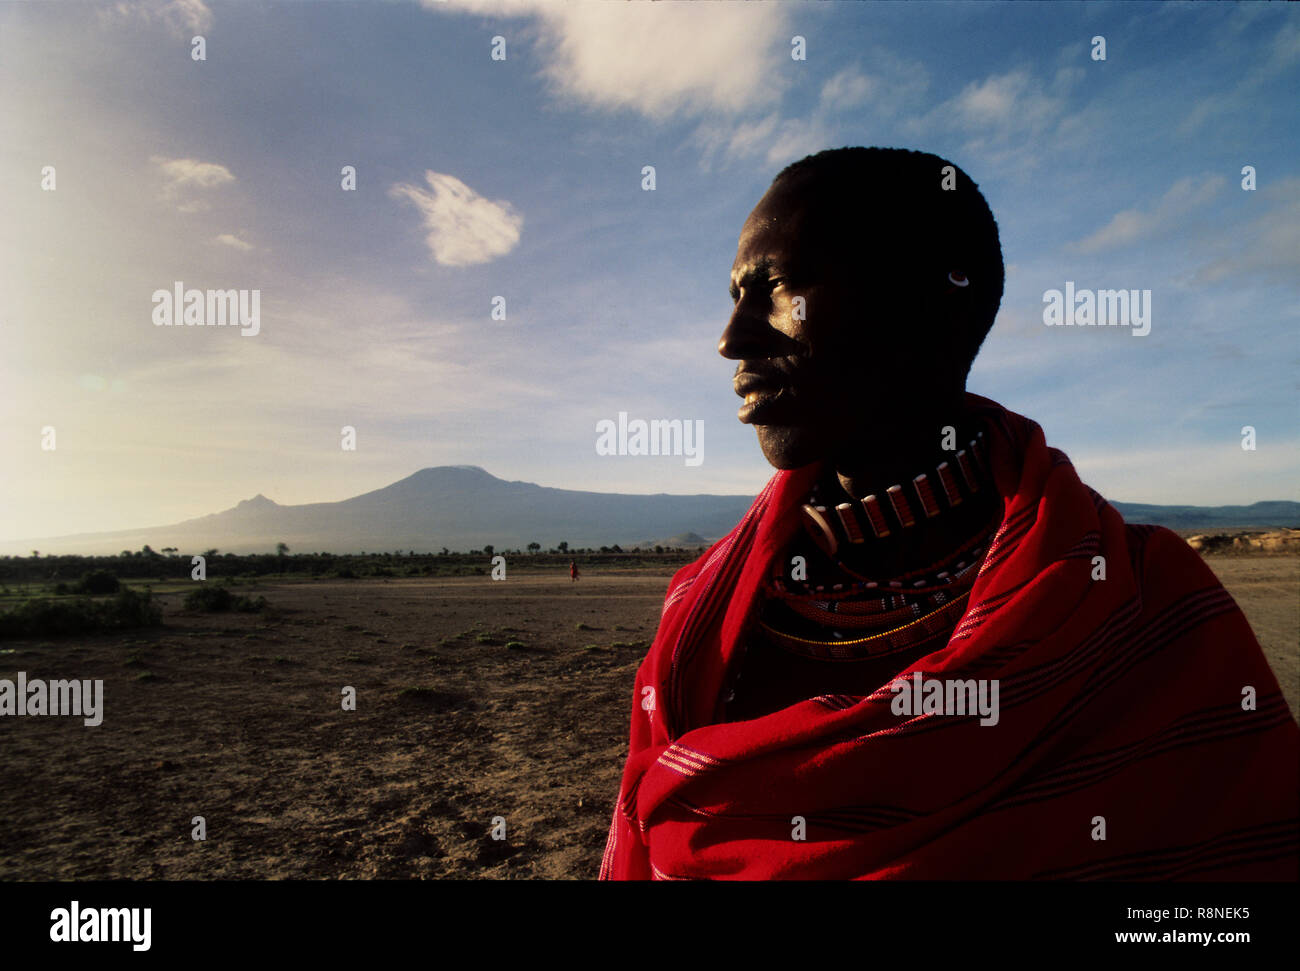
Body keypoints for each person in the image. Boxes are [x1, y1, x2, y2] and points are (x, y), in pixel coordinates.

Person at [600, 147, 1299, 880]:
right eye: (734, 297)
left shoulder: (1147, 606)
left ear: (934, 299)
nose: (730, 338)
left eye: (773, 288)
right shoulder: (699, 617)